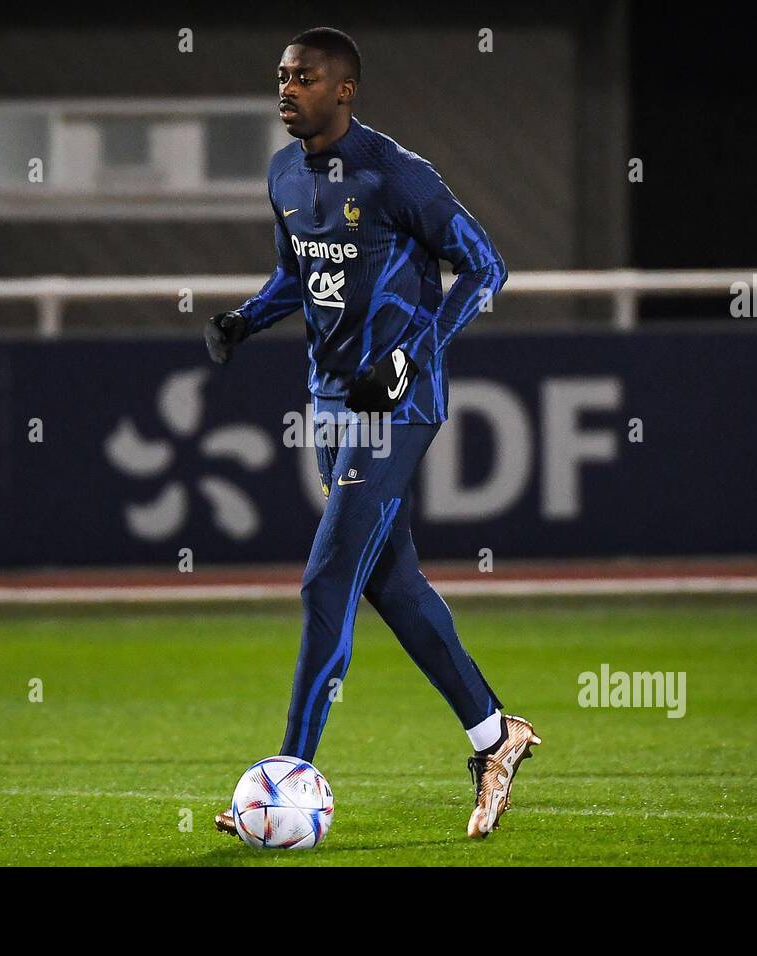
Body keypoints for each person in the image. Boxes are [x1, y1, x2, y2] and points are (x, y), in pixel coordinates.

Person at [204, 27, 539, 840]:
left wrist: (409, 358)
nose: (286, 89)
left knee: (326, 581)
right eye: (281, 76)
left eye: (304, 78)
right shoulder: (284, 173)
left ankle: (286, 777)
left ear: (344, 90)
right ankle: (496, 736)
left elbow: (486, 266)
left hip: (398, 406)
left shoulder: (399, 175)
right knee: (391, 585)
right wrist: (246, 322)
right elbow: (299, 273)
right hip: (327, 404)